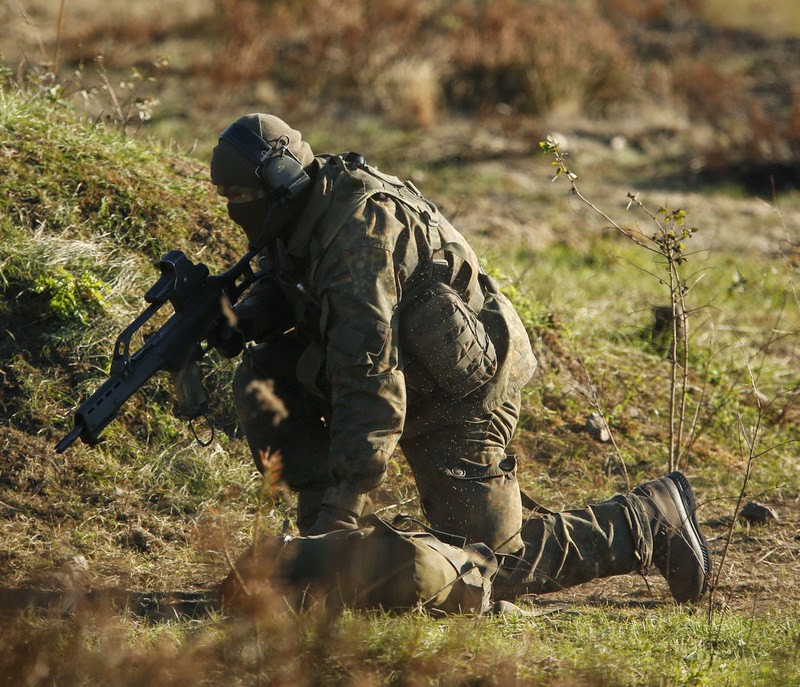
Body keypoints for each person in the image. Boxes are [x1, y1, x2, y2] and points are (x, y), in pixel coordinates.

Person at [207, 112, 710, 603]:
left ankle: (647, 520)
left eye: (244, 198)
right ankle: (326, 538)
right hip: (410, 365)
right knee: (266, 370)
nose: (236, 209)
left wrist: (343, 512)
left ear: (281, 180)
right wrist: (244, 317)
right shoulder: (301, 209)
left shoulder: (358, 235)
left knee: (489, 567)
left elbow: (370, 387)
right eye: (229, 199)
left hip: (459, 393)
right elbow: (291, 281)